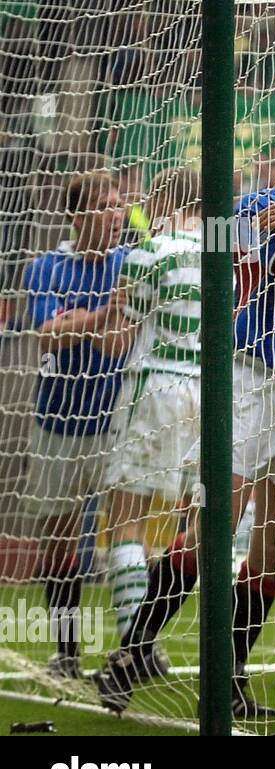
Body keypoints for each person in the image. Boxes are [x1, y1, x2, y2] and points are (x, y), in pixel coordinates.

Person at [98, 91, 275, 718]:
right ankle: (133, 649)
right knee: (213, 526)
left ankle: (229, 674)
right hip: (249, 375)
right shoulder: (254, 205)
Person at [21, 171, 128, 679]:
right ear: (77, 215)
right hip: (59, 418)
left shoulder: (132, 262)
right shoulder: (47, 267)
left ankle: (134, 648)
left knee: (133, 533)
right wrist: (104, 313)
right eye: (106, 206)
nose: (117, 215)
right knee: (60, 538)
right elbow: (46, 334)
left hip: (123, 418)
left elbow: (117, 339)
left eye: (120, 204)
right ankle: (66, 652)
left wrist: (79, 324)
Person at [100, 166, 203, 675]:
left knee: (124, 518)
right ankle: (148, 641)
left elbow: (123, 327)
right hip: (205, 393)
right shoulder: (221, 254)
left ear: (163, 196)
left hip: (155, 385)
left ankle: (134, 645)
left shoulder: (150, 251)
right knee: (181, 525)